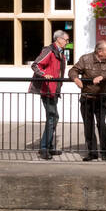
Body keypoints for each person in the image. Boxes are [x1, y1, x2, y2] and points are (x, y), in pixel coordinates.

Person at [69, 40, 106, 160]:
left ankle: (105, 151)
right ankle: (92, 152)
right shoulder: (85, 59)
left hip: (101, 98)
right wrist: (75, 79)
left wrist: (102, 76)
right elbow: (73, 70)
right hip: (87, 98)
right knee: (88, 126)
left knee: (101, 124)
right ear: (99, 51)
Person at [30, 29, 69, 160]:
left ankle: (49, 146)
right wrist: (44, 75)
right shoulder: (49, 50)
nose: (67, 42)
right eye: (66, 40)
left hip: (54, 90)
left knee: (53, 117)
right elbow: (35, 65)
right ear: (58, 39)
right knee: (53, 117)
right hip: (46, 89)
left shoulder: (60, 53)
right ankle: (44, 148)